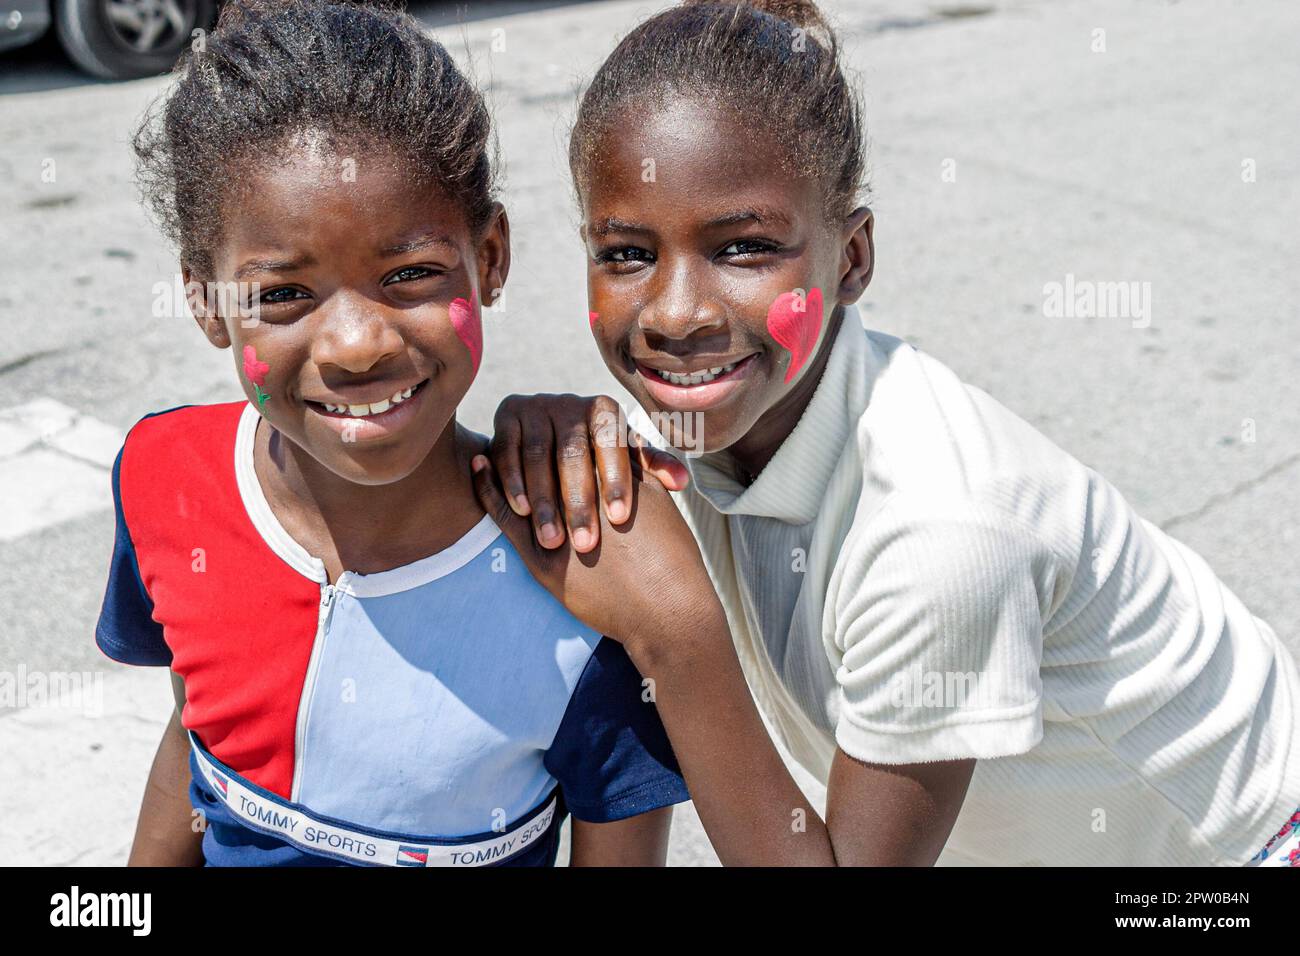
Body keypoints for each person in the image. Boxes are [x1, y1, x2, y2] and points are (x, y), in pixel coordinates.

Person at [470, 0, 1300, 865]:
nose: (677, 314)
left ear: (853, 259)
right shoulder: (697, 415)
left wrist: (677, 638)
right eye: (628, 254)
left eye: (746, 248)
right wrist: (558, 433)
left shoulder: (940, 531)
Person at [96, 0, 688, 867]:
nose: (357, 344)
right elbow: (197, 728)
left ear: (490, 259)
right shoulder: (165, 478)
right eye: (284, 295)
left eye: (410, 274)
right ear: (206, 301)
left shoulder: (584, 573)